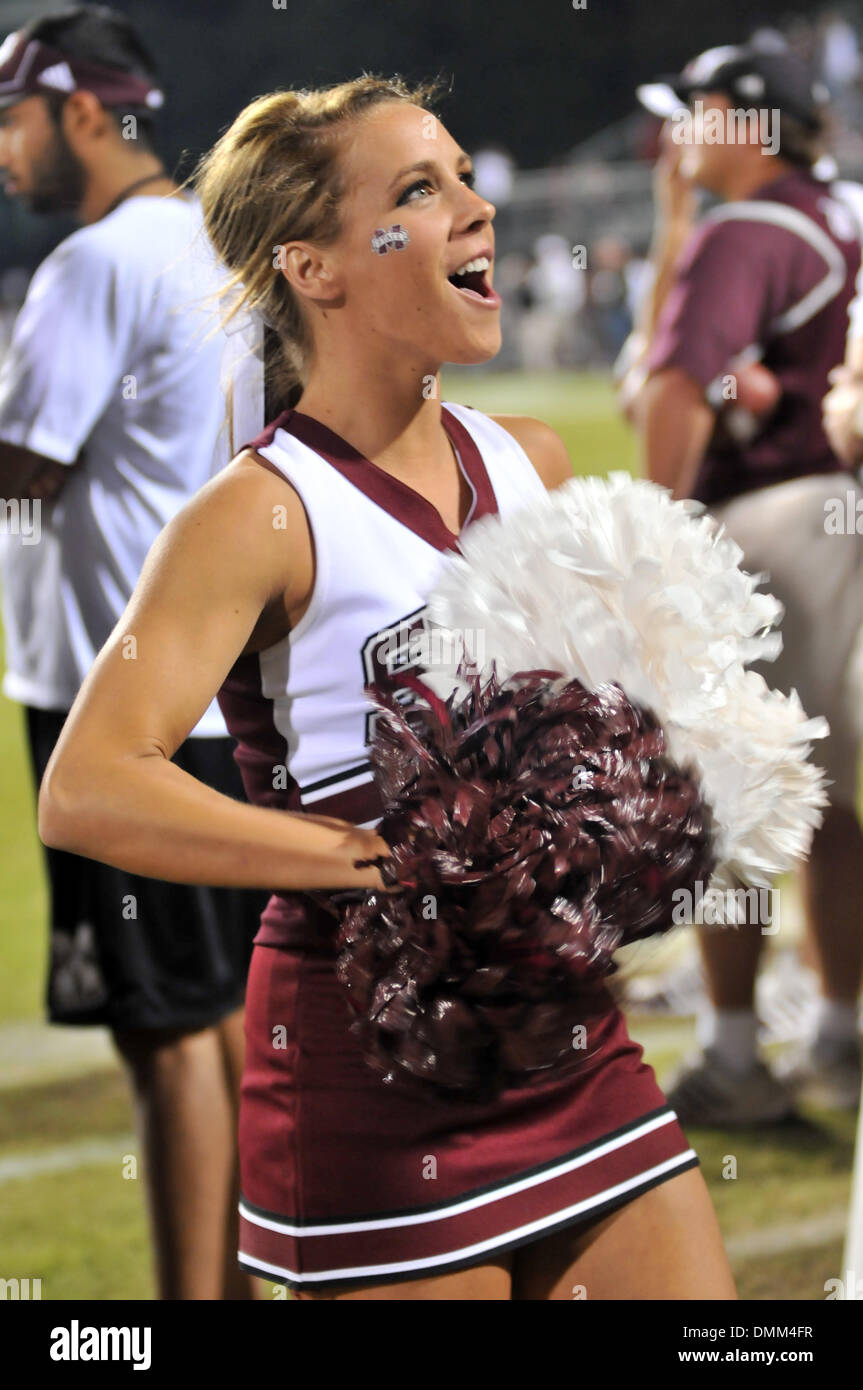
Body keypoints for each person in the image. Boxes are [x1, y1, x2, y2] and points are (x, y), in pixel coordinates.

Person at [37, 75, 736, 1301]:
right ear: (315, 268)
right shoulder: (259, 514)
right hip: (369, 1053)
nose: (475, 209)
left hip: (565, 1031)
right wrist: (383, 861)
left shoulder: (536, 461)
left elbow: (598, 733)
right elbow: (90, 787)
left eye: (466, 176)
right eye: (420, 189)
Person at [0, 5, 266, 1298]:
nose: (5, 146)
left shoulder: (94, 263)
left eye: (15, 115)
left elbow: (20, 473)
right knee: (207, 1019)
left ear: (85, 112)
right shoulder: (209, 242)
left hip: (116, 706)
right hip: (209, 700)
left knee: (161, 1034)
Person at [627, 42, 863, 1124]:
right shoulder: (833, 209)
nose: (675, 134)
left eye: (693, 112)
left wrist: (653, 535)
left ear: (738, 121)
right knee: (827, 801)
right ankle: (838, 1028)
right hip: (831, 517)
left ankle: (729, 1056)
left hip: (762, 523)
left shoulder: (750, 228)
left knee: (724, 798)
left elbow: (672, 389)